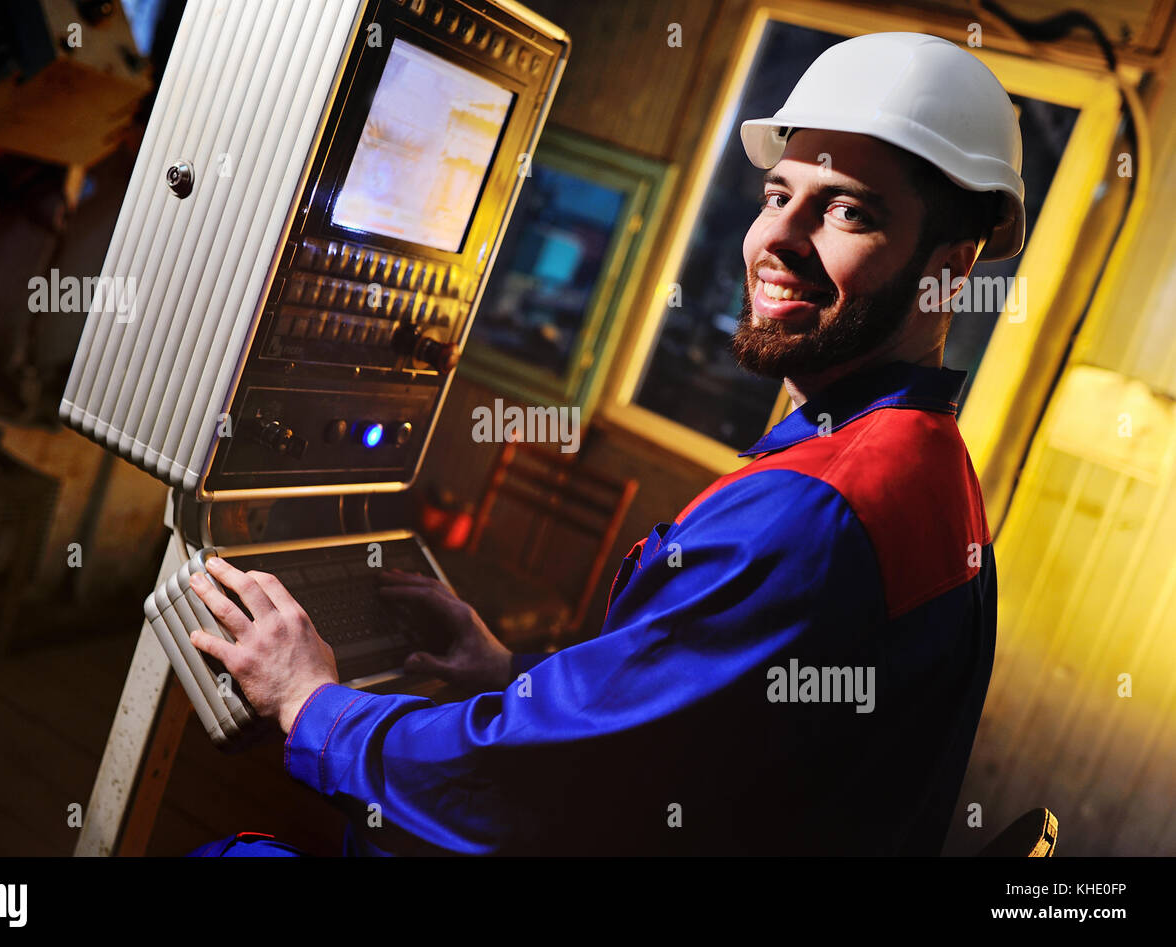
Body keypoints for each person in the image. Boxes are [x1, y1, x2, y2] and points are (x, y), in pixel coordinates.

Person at [186, 31, 1023, 856]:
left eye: (847, 211)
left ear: (948, 270)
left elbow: (534, 791)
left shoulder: (820, 510)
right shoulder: (926, 463)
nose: (777, 239)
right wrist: (506, 667)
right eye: (777, 195)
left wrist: (311, 704)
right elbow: (707, 713)